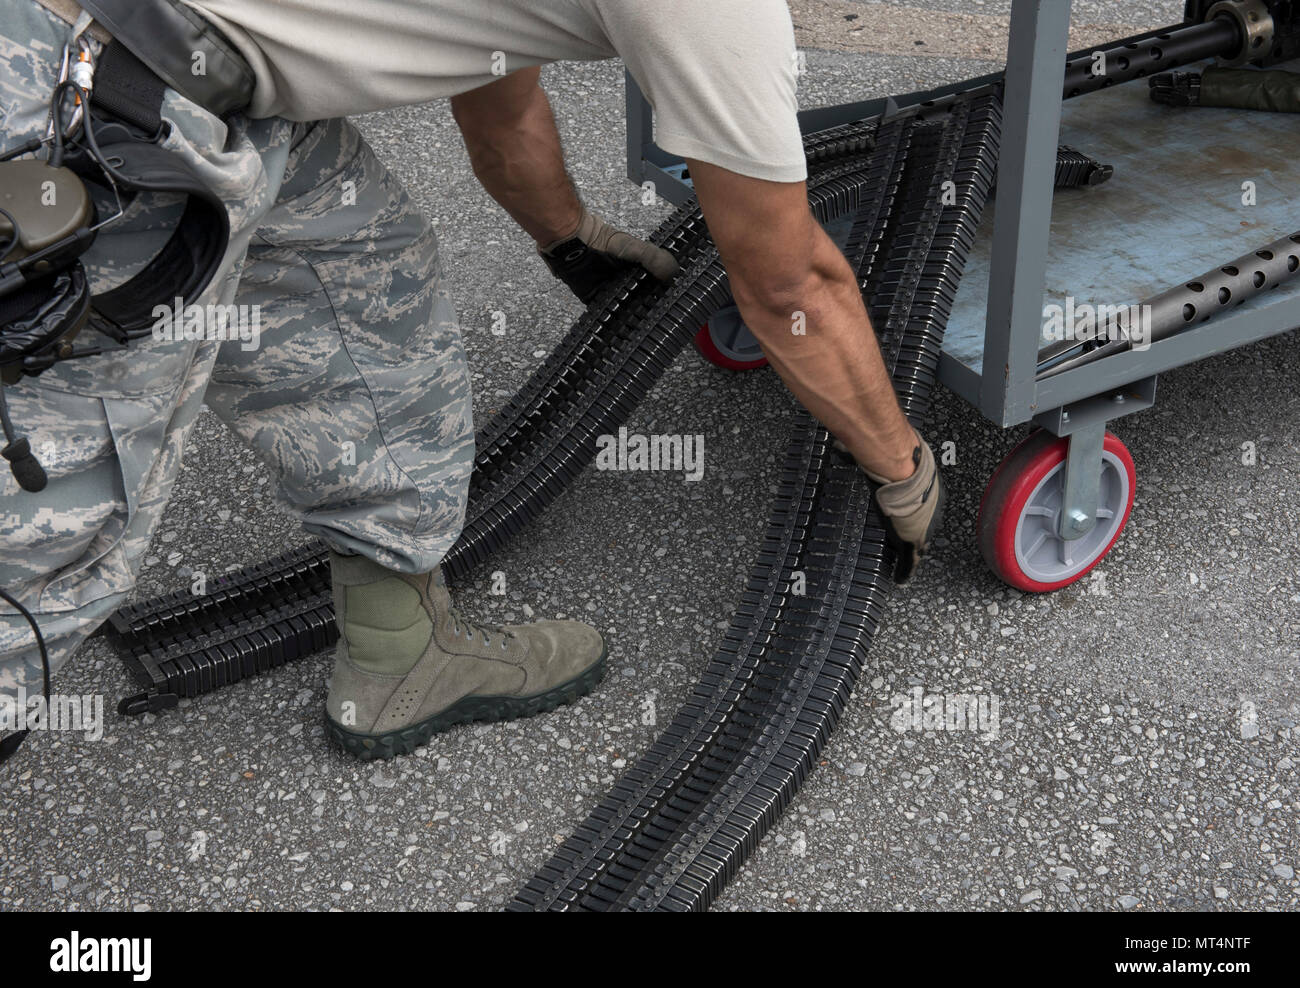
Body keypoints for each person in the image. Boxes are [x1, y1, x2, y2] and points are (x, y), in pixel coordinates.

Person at [0, 0, 941, 762]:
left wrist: (569, 236)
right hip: (65, 99)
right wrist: (901, 465)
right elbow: (788, 287)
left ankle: (397, 649)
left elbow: (496, 90)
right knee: (53, 538)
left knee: (366, 283)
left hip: (205, 73)